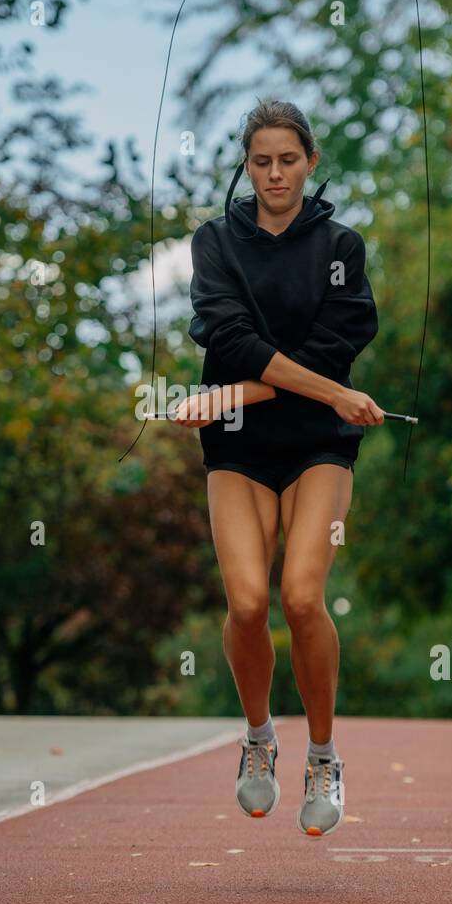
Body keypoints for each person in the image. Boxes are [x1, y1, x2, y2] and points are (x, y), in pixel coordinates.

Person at [171, 99, 383, 836]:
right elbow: (224, 333)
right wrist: (246, 394)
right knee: (245, 602)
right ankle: (258, 739)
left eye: (286, 160)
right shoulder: (215, 242)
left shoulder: (339, 245)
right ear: (245, 164)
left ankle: (322, 756)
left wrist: (267, 390)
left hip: (319, 440)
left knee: (299, 596)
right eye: (260, 161)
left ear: (310, 162)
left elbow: (337, 343)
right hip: (235, 443)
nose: (273, 174)